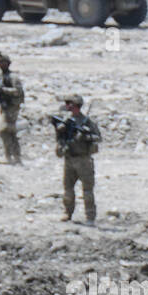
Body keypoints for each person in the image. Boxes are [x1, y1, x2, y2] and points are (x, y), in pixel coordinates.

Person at [55, 93, 100, 223]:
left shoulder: (87, 122)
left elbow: (98, 137)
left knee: (87, 191)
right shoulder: (66, 121)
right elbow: (59, 137)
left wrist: (86, 135)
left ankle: (90, 217)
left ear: (76, 106)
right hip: (69, 159)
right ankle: (67, 213)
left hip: (83, 160)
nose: (67, 106)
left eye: (70, 104)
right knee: (68, 189)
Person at [0, 53, 25, 164]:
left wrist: (3, 89)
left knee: (5, 130)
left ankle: (9, 156)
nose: (1, 65)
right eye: (0, 63)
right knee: (9, 131)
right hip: (5, 106)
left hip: (12, 106)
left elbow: (18, 91)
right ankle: (15, 157)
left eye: (3, 63)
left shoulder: (13, 77)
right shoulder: (0, 77)